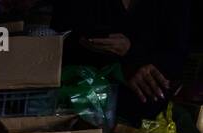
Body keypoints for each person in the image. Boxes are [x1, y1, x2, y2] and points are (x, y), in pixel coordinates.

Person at [53, 0, 192, 122]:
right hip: (83, 106)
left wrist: (134, 55)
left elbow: (177, 57)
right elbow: (58, 41)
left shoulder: (174, 4)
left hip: (146, 112)